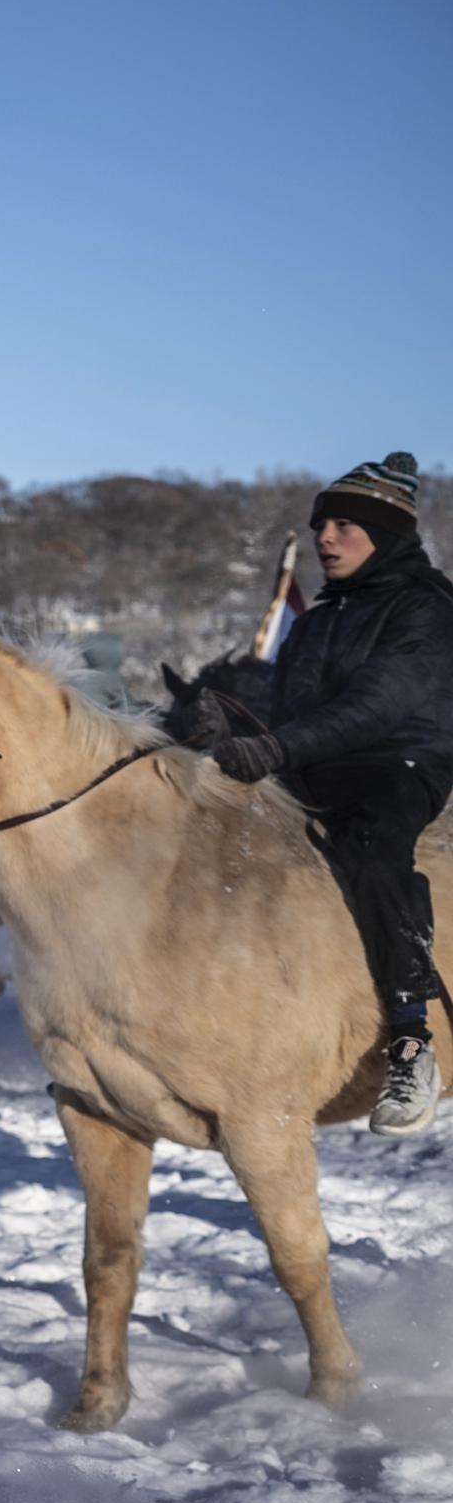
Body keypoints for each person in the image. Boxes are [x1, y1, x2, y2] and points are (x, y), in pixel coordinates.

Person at [208, 453, 451, 1132]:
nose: (326, 538)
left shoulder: (426, 608)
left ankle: (411, 1042)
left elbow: (380, 706)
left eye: (345, 525)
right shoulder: (316, 620)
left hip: (400, 762)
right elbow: (285, 712)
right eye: (321, 525)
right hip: (311, 766)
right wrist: (227, 723)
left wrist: (278, 749)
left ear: (387, 537)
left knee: (374, 852)